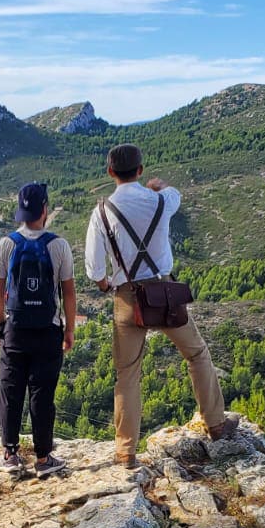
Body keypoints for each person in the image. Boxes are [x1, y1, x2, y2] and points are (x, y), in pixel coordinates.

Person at [84, 143, 236, 467]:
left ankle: (126, 452)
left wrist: (106, 284)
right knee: (197, 354)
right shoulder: (161, 200)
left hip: (127, 297)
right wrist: (159, 186)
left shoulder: (101, 212)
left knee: (128, 374)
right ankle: (216, 425)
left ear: (110, 172)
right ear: (140, 170)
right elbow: (175, 195)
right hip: (164, 293)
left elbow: (94, 269)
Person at [0, 181, 76, 476]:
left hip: (15, 330)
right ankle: (43, 458)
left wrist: (0, 327)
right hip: (48, 331)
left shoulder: (7, 244)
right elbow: (68, 293)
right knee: (42, 394)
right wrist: (69, 330)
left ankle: (10, 454)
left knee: (10, 391)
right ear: (45, 210)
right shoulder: (59, 245)